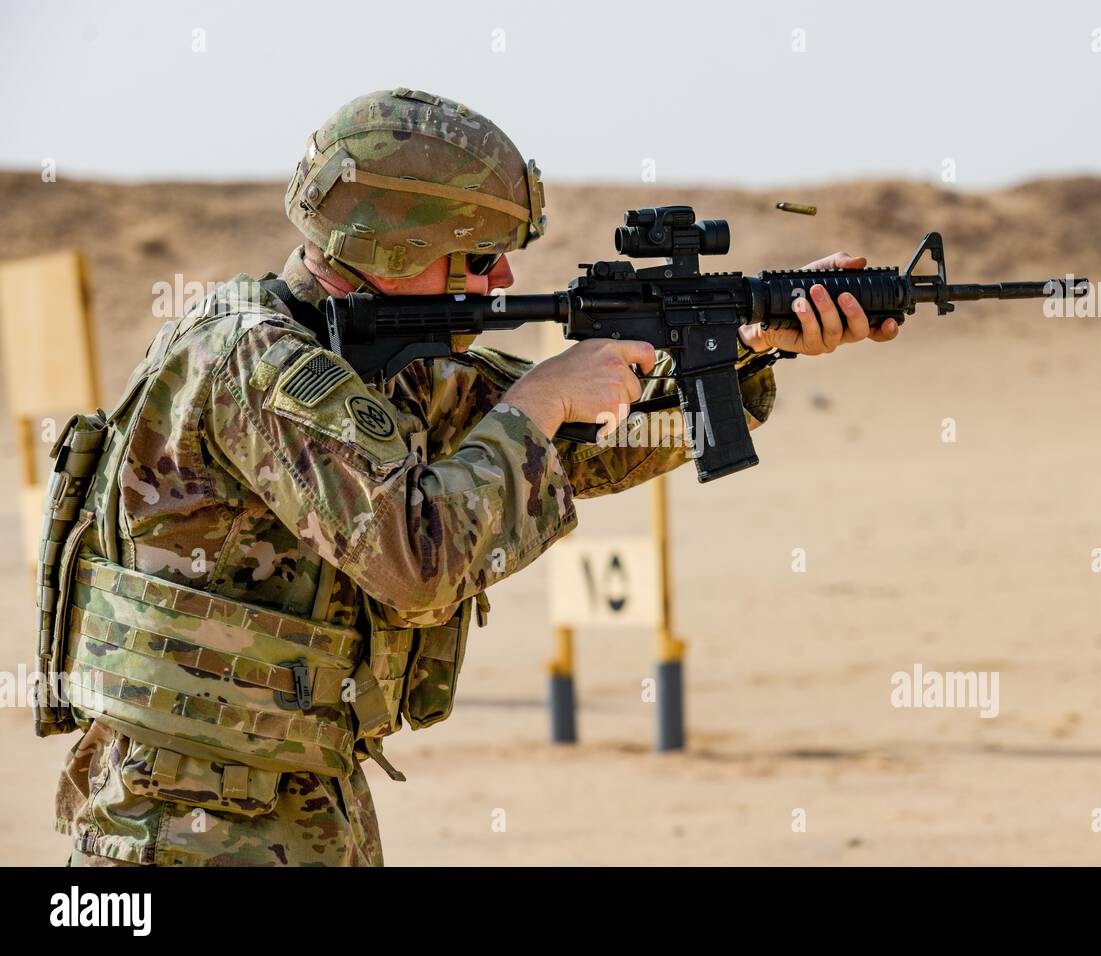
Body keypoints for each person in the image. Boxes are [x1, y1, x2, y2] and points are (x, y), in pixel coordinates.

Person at [46, 88, 899, 866]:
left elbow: (581, 448)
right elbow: (418, 560)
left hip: (275, 795)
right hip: (190, 823)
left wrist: (744, 348)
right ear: (397, 245)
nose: (503, 279)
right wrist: (539, 400)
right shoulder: (261, 363)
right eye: (482, 255)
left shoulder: (376, 363)